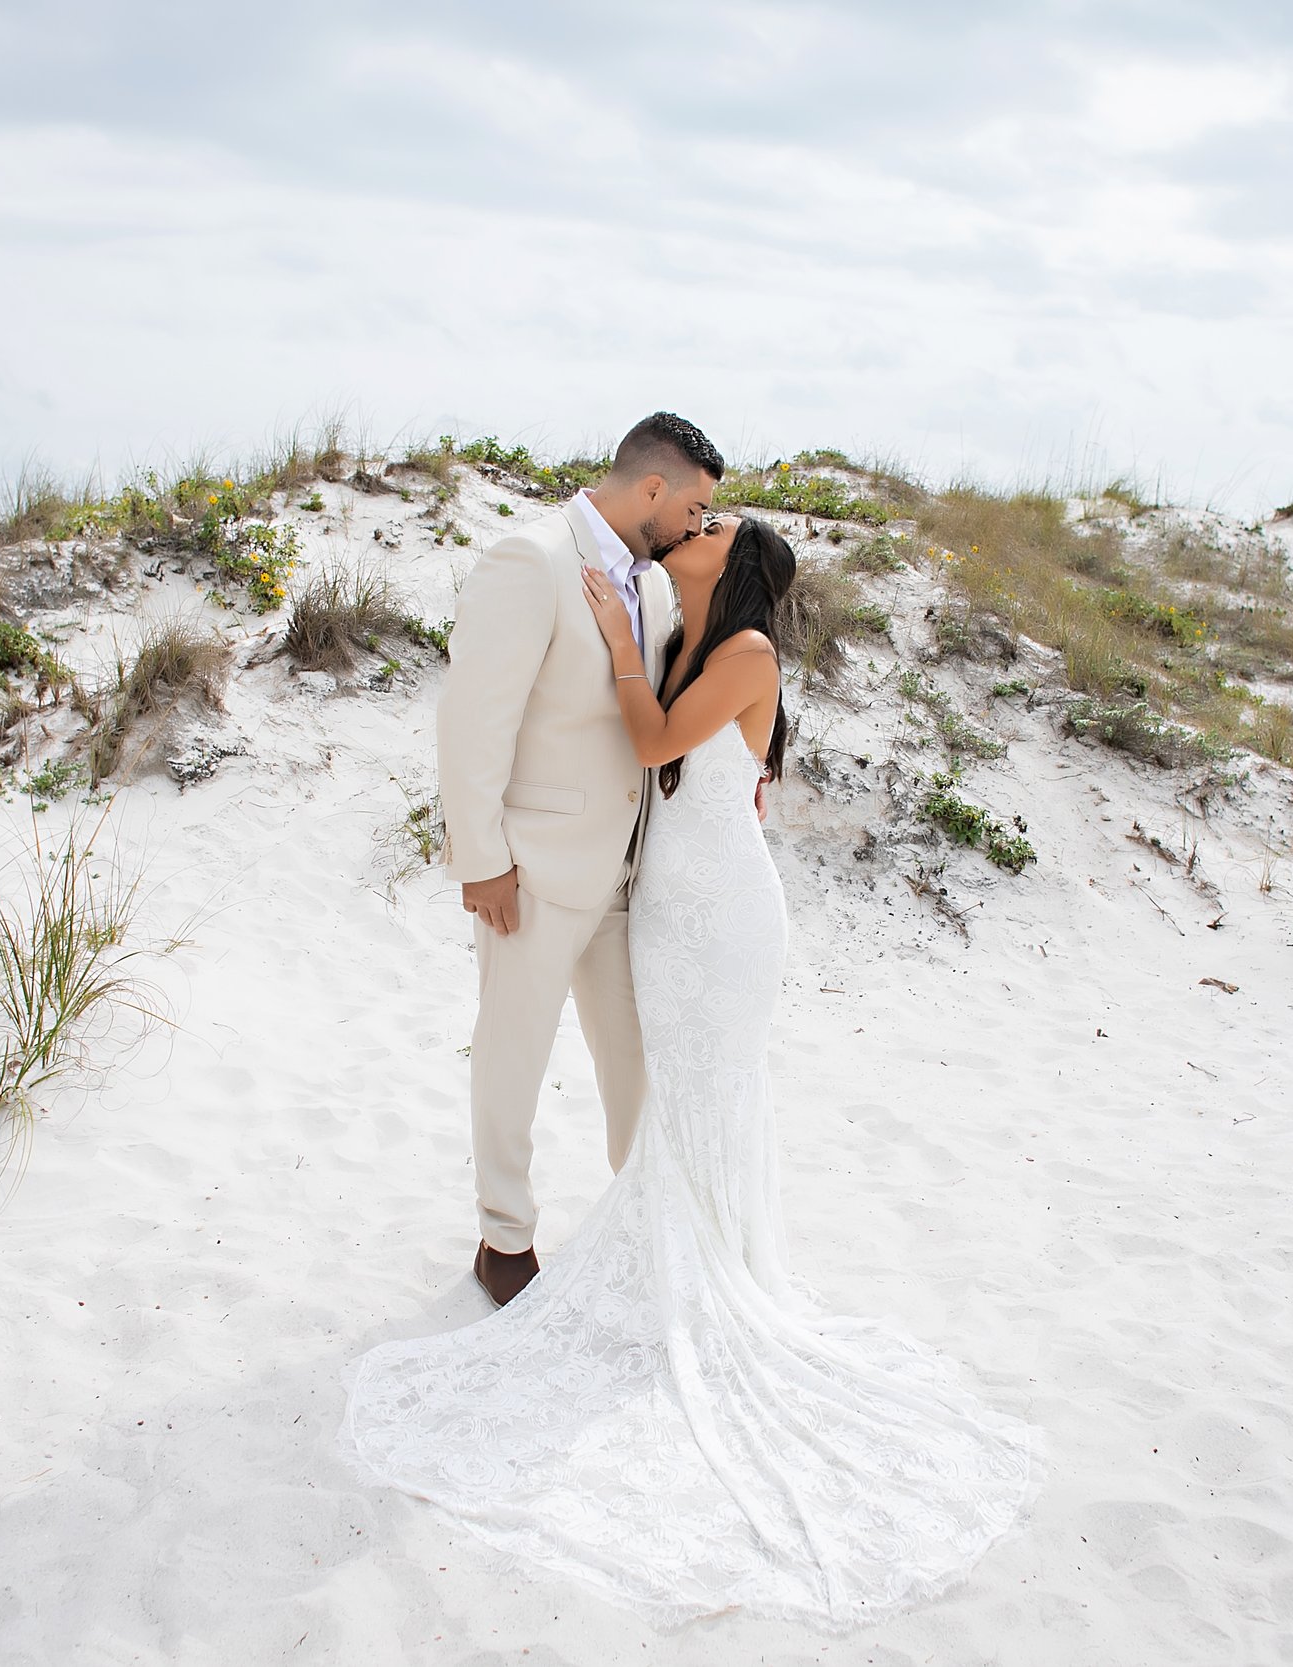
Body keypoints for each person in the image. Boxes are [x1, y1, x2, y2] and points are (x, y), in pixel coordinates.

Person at [343, 509, 1041, 1631]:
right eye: (695, 514)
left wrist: (620, 650)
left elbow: (661, 745)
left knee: (706, 1090)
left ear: (741, 567)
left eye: (716, 527)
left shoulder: (746, 652)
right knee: (672, 1094)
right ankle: (655, 1241)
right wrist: (634, 651)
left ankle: (699, 1268)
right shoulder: (683, 636)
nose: (696, 530)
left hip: (721, 914)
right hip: (658, 906)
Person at [432, 411, 722, 1306]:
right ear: (652, 489)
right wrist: (482, 857)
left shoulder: (658, 585)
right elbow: (475, 719)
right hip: (533, 867)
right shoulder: (533, 559)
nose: (699, 525)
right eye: (696, 506)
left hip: (628, 874)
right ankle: (503, 1238)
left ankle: (642, 1218)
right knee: (514, 1051)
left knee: (631, 1058)